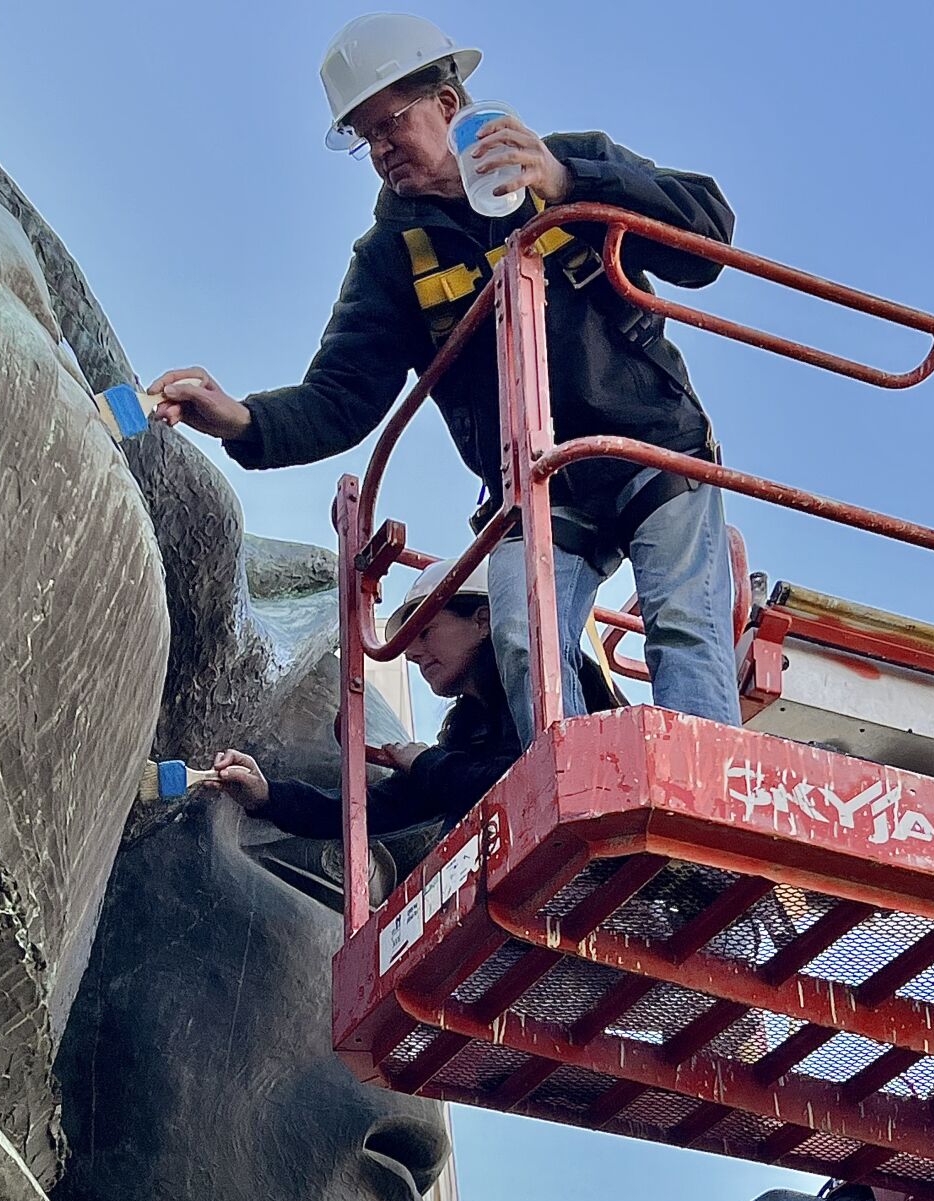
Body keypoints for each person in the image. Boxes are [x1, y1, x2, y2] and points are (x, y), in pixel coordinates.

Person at [150, 14, 741, 749]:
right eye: (363, 137)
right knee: (522, 640)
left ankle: (707, 792)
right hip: (536, 483)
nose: (380, 149)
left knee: (683, 627)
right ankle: (580, 799)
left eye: (389, 123)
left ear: (450, 104)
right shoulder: (392, 259)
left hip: (652, 444)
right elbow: (342, 396)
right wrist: (242, 420)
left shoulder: (566, 166)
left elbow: (707, 235)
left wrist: (568, 184)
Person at [208, 556, 609, 839]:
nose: (410, 652)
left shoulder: (553, 679)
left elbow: (524, 784)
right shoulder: (471, 729)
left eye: (425, 632)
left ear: (483, 620)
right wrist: (267, 796)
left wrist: (424, 762)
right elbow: (377, 810)